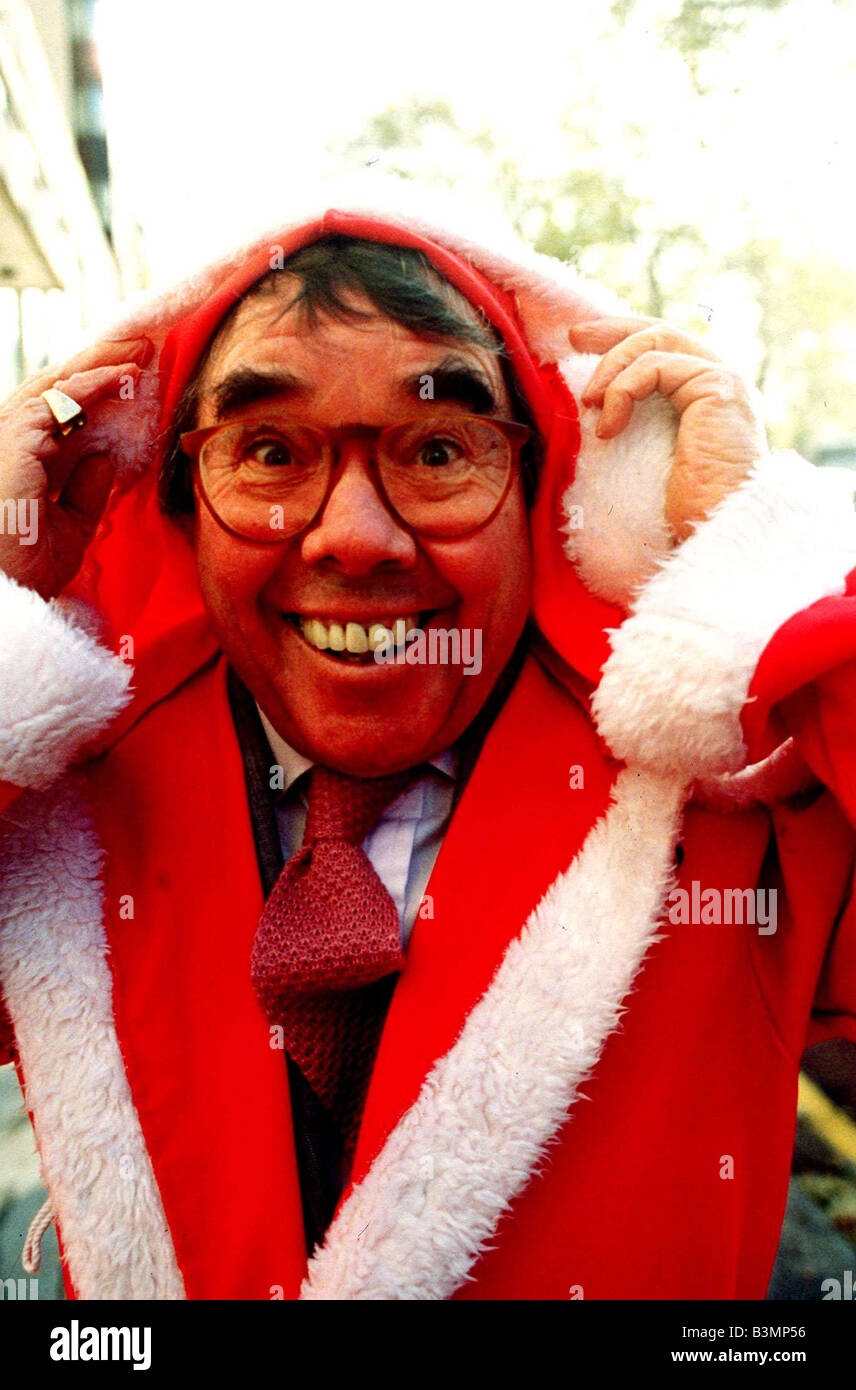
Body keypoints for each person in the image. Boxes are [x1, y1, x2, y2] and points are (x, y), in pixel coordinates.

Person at [0, 177, 855, 1301]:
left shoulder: (743, 808)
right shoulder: (59, 816)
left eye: (440, 451)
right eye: (270, 452)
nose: (355, 537)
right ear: (178, 504)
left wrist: (758, 570)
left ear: (544, 497)